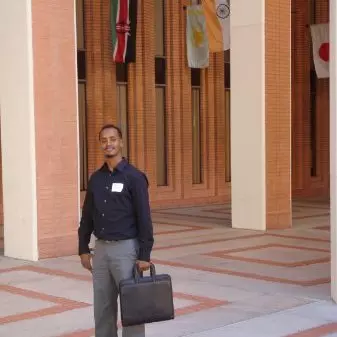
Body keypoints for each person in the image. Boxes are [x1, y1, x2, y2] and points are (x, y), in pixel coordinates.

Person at [78, 124, 154, 337]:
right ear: (100, 144)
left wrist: (144, 254)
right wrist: (83, 247)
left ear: (121, 142)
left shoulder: (135, 177)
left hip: (126, 250)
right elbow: (87, 217)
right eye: (104, 140)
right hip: (101, 250)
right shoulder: (96, 179)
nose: (108, 143)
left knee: (132, 307)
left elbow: (144, 218)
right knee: (102, 307)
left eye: (112, 139)